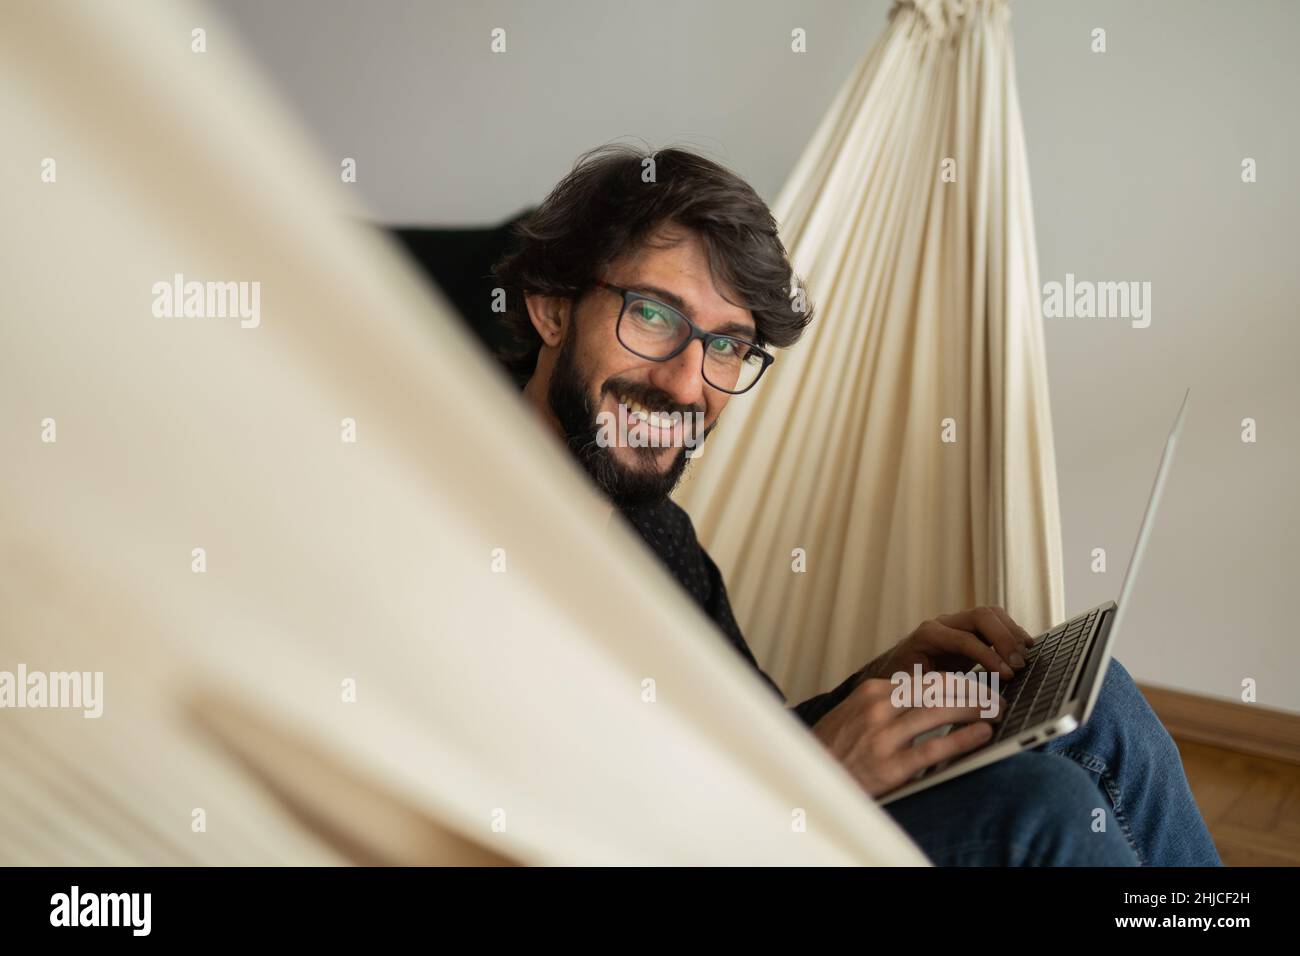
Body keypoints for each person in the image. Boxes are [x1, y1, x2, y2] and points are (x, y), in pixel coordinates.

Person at [491, 143, 1220, 866]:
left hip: (750, 820)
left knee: (1100, 708)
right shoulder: (456, 527)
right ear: (553, 308)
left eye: (727, 347)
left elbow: (755, 737)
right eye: (653, 315)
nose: (688, 386)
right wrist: (803, 794)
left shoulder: (655, 529)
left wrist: (873, 685)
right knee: (1044, 812)